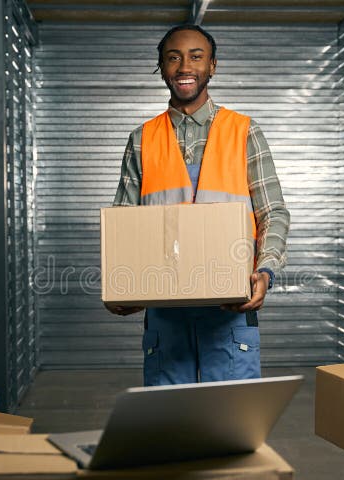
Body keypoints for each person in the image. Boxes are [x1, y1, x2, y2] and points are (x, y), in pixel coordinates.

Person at [106, 24, 290, 386]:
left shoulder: (244, 131)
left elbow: (273, 212)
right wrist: (121, 285)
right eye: (173, 58)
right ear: (161, 68)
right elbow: (124, 223)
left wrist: (264, 272)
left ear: (213, 66)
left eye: (196, 56)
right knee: (171, 427)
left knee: (232, 424)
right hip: (165, 315)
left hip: (230, 309)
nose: (184, 66)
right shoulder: (142, 139)